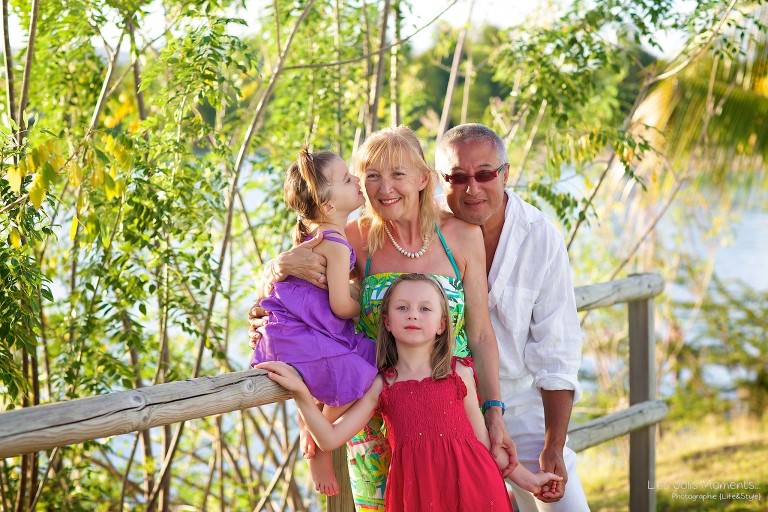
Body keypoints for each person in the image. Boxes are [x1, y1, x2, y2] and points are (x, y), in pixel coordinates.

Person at [250, 126, 514, 511]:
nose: (384, 187)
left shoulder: (460, 235)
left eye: (397, 174)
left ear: (423, 178)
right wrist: (272, 270)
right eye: (372, 175)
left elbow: (480, 334)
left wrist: (494, 413)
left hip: (449, 412)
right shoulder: (355, 237)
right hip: (373, 412)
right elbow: (300, 302)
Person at [256, 274, 562, 512]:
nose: (413, 315)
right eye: (402, 308)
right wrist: (301, 395)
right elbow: (330, 438)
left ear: (442, 324)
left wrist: (530, 481)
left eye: (425, 308)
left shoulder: (460, 373)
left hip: (476, 488)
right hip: (416, 493)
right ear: (387, 322)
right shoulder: (382, 385)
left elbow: (487, 446)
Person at [435, 123, 589, 511]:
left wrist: (553, 446)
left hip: (522, 409)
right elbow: (350, 243)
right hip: (445, 410)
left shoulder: (539, 236)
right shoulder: (422, 231)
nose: (472, 188)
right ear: (440, 180)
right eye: (458, 177)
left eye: (485, 174)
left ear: (506, 173)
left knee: (567, 506)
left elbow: (557, 351)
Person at [250, 148, 377, 496]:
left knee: (358, 360)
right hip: (299, 340)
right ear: (329, 205)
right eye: (348, 179)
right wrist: (367, 301)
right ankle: (320, 439)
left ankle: (314, 429)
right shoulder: (334, 243)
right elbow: (339, 306)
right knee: (365, 367)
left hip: (289, 336)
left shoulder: (316, 235)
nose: (358, 182)